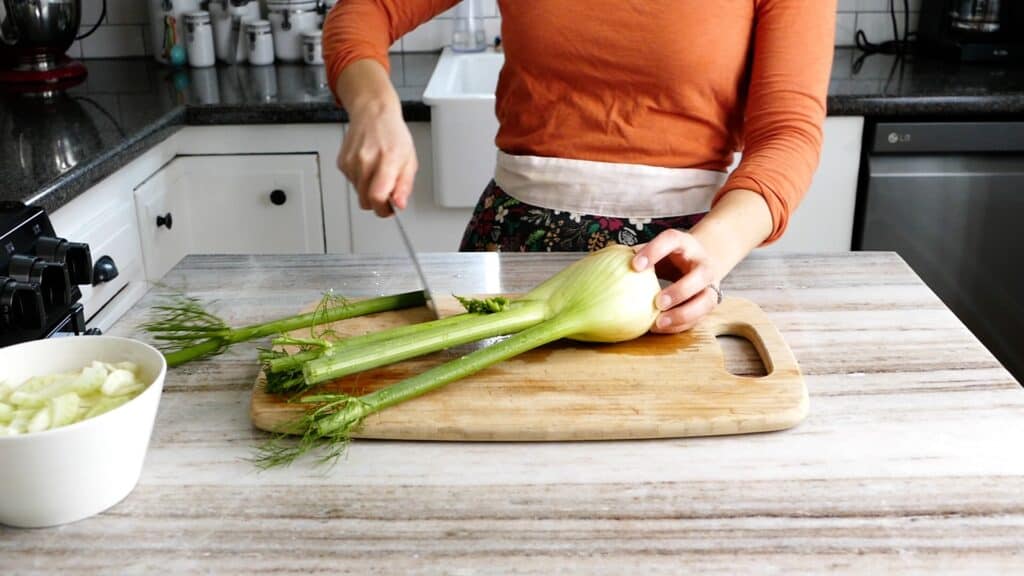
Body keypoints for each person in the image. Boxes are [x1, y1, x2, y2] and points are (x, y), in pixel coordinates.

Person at [322, 1, 836, 334]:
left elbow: (787, 133)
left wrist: (713, 249)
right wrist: (374, 109)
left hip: (677, 264)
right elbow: (363, 13)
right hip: (513, 244)